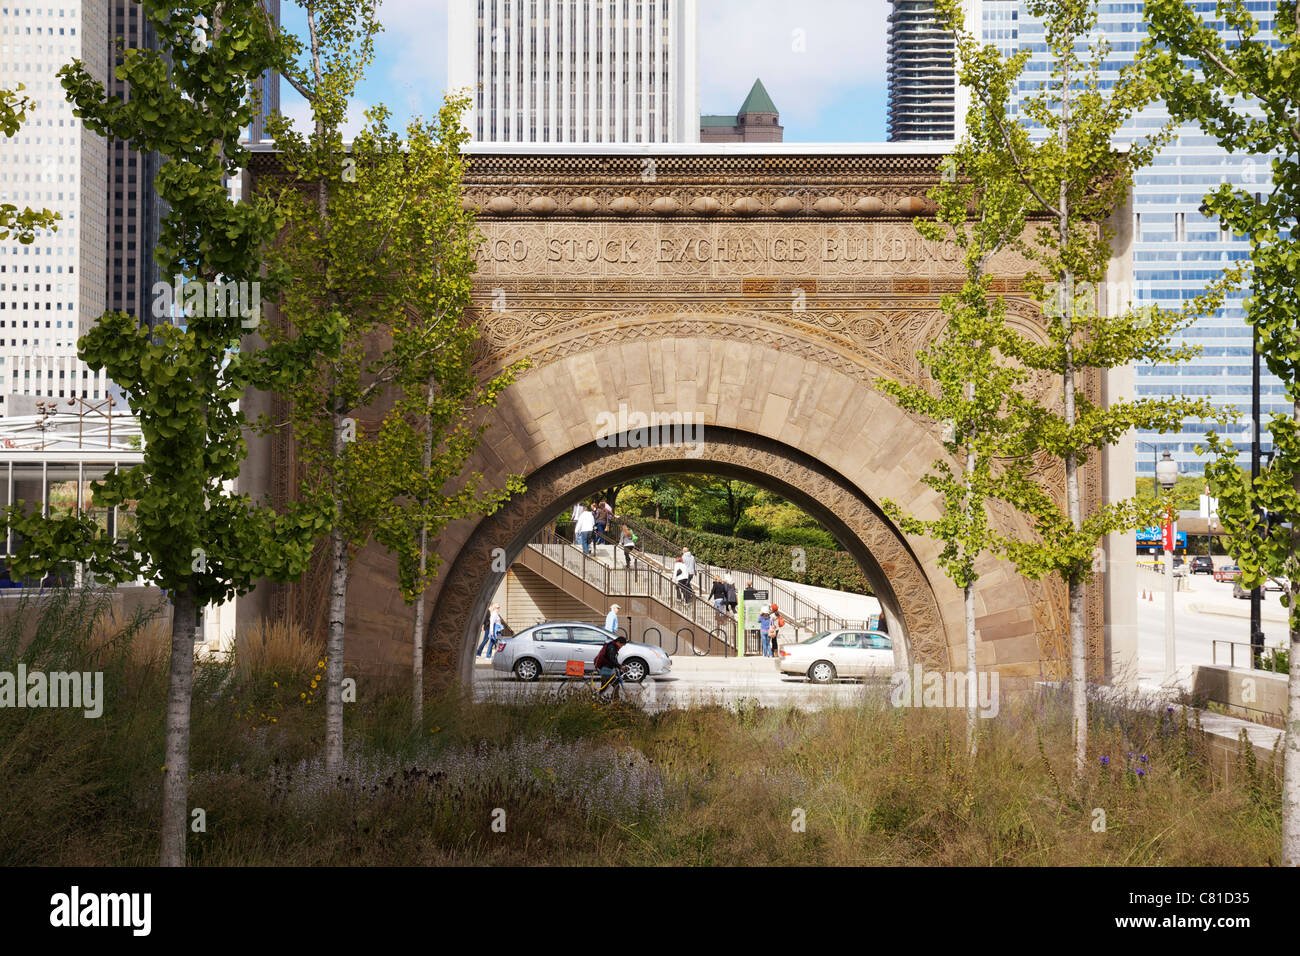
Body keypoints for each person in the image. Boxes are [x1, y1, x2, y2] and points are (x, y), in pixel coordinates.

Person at [593, 633, 630, 700]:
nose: (621, 647)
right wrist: (620, 667)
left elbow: (613, 659)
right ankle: (612, 699)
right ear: (618, 642)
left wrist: (618, 666)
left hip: (607, 668)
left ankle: (609, 698)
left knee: (610, 685)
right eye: (621, 645)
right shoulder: (612, 647)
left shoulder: (612, 646)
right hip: (605, 668)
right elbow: (612, 659)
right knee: (608, 685)